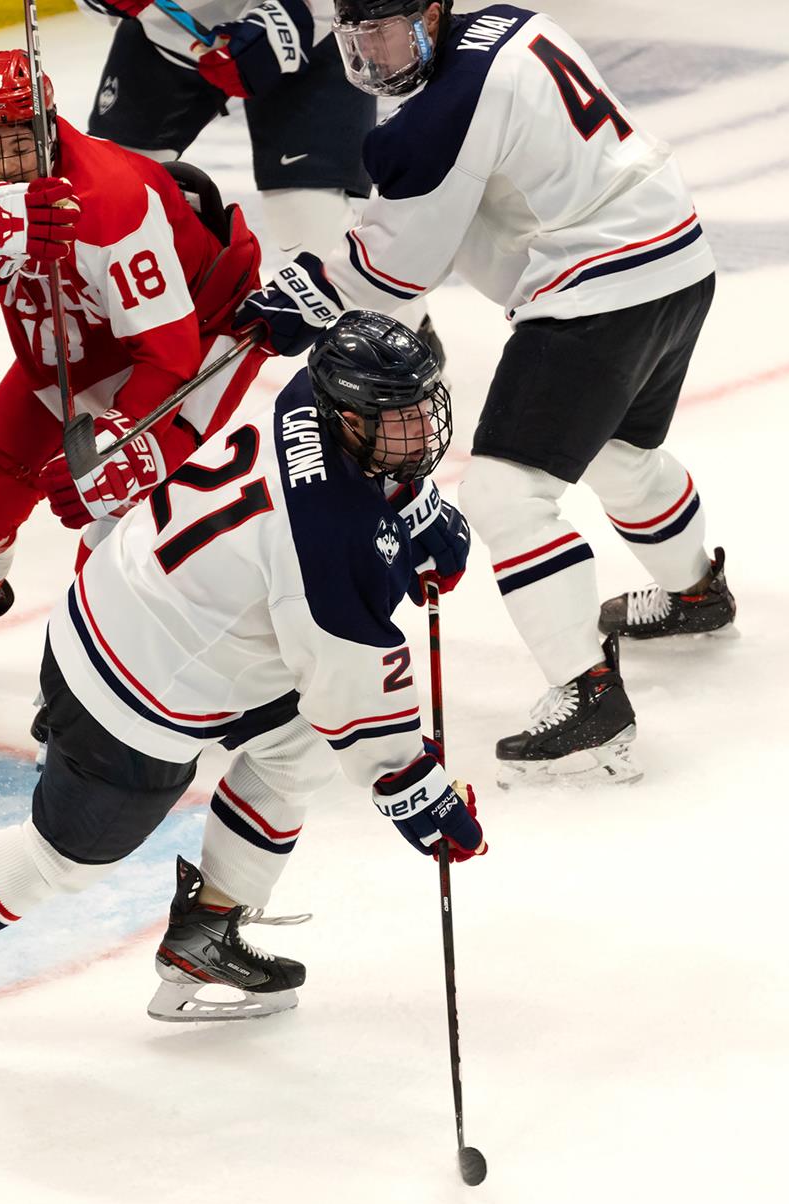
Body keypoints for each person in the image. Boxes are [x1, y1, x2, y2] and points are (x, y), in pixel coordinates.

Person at [0, 311, 484, 1021]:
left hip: (128, 609)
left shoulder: (308, 396)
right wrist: (414, 788)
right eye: (400, 416)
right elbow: (355, 696)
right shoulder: (333, 543)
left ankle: (208, 931)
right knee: (60, 859)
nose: (422, 429)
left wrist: (410, 506)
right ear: (351, 417)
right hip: (130, 694)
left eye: (422, 406)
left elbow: (344, 498)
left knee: (298, 741)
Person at [235, 2, 735, 787]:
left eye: (386, 33)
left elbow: (393, 270)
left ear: (432, 12)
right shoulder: (509, 23)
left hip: (599, 289)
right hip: (676, 259)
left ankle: (589, 694)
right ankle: (697, 591)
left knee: (505, 495)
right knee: (619, 452)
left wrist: (304, 296)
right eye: (358, 40)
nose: (373, 57)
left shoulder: (443, 111)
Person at [0, 49, 268, 689]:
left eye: (19, 143)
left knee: (115, 520)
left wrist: (122, 438)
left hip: (199, 333)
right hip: (76, 341)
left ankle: (88, 692)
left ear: (49, 128)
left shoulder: (114, 198)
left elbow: (170, 354)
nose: (4, 165)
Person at [75, 0, 376, 262]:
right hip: (163, 35)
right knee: (106, 195)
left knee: (307, 217)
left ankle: (377, 310)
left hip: (307, 27)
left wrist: (296, 16)